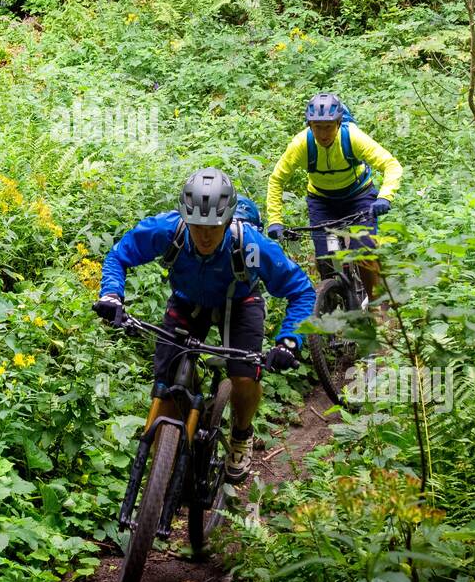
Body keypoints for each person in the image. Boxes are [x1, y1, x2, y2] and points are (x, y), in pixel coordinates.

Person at [93, 168, 316, 483]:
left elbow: (302, 291)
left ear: (228, 220)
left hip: (240, 302)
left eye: (214, 226)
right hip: (188, 301)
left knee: (243, 376)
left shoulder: (250, 244)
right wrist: (112, 295)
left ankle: (240, 434)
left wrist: (289, 342)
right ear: (185, 218)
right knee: (167, 380)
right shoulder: (168, 231)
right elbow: (119, 256)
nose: (205, 235)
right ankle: (165, 465)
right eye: (197, 225)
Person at [265, 92, 403, 306]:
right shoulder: (301, 144)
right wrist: (275, 220)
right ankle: (332, 309)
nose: (323, 133)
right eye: (317, 126)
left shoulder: (352, 137)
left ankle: (378, 306)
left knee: (364, 251)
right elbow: (276, 180)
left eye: (328, 126)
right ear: (309, 125)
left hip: (359, 198)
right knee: (326, 260)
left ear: (338, 123)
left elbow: (391, 165)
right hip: (323, 203)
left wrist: (384, 197)